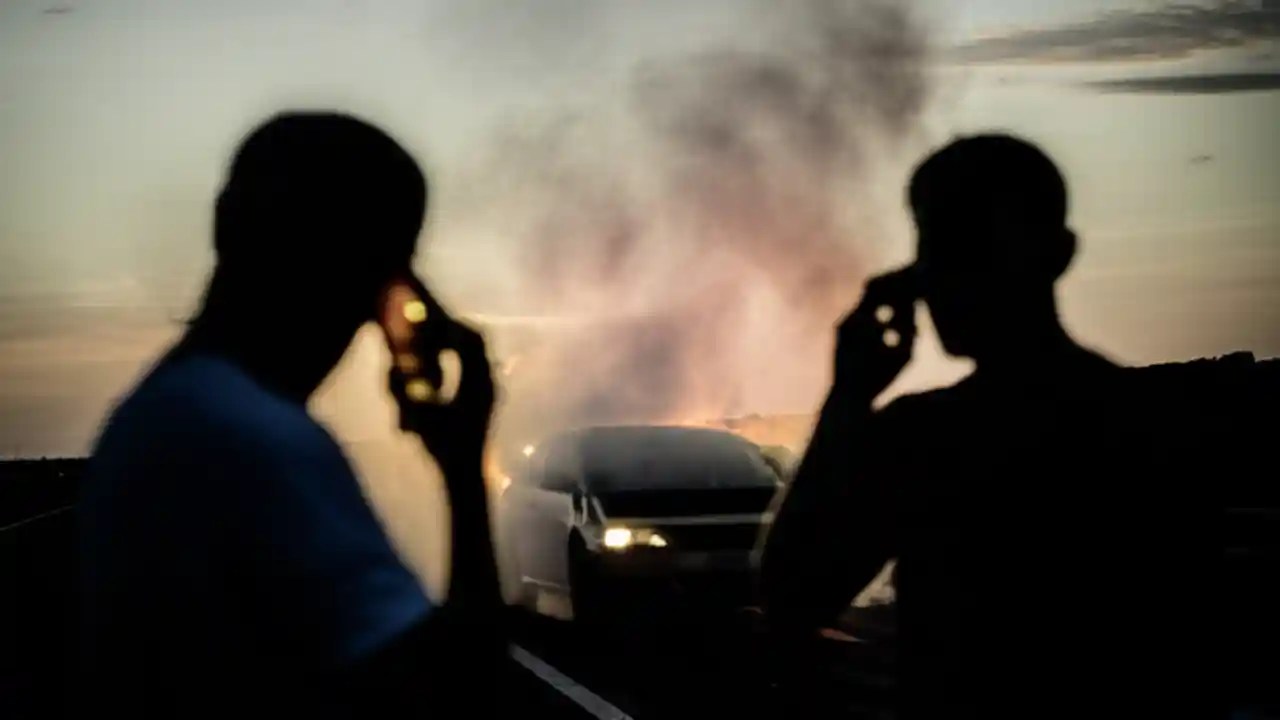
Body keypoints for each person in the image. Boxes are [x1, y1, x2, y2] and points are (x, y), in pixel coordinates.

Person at [760, 134, 1222, 717]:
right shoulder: (1152, 419)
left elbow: (794, 596)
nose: (936, 276)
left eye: (964, 247)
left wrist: (847, 398)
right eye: (931, 247)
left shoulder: (928, 437)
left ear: (1055, 253)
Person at [78, 113, 503, 716]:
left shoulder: (163, 413)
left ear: (226, 228)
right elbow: (461, 693)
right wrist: (462, 471)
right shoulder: (253, 441)